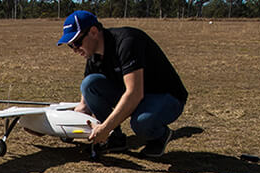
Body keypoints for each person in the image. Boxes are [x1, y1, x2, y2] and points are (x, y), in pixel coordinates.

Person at [58, 11, 187, 157]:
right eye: (70, 46)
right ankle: (115, 139)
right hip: (136, 96)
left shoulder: (127, 42)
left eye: (76, 43)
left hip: (165, 96)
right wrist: (56, 127)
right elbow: (84, 106)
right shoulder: (93, 56)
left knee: (141, 123)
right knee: (89, 84)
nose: (75, 50)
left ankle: (160, 135)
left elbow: (134, 93)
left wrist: (105, 128)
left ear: (93, 32)